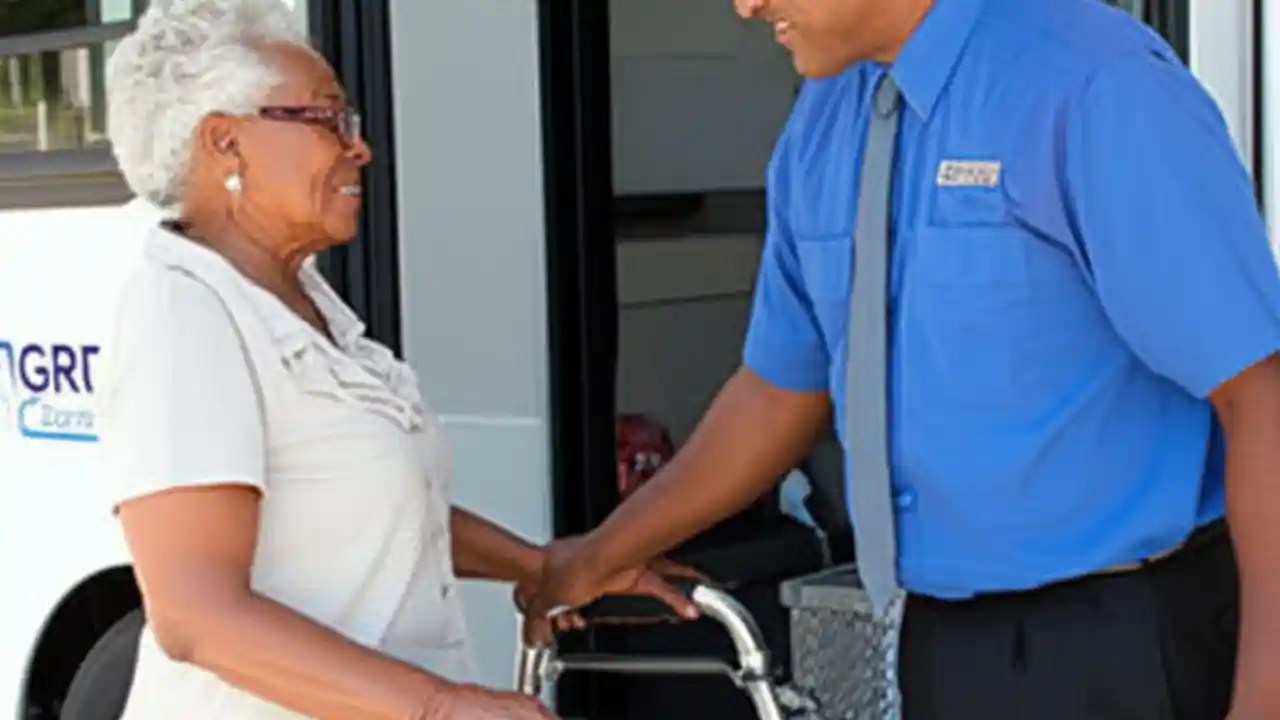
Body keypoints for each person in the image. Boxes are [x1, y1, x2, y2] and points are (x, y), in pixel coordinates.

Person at [526, 0, 1280, 718]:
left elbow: (1260, 396)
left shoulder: (1091, 86)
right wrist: (599, 554)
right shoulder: (826, 118)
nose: (745, 7)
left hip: (1122, 648)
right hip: (937, 641)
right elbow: (777, 391)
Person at [97, 1, 695, 718]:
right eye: (328, 119)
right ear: (225, 142)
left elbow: (379, 510)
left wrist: (548, 567)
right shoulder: (184, 313)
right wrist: (441, 706)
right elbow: (196, 615)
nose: (360, 148)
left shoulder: (305, 303)